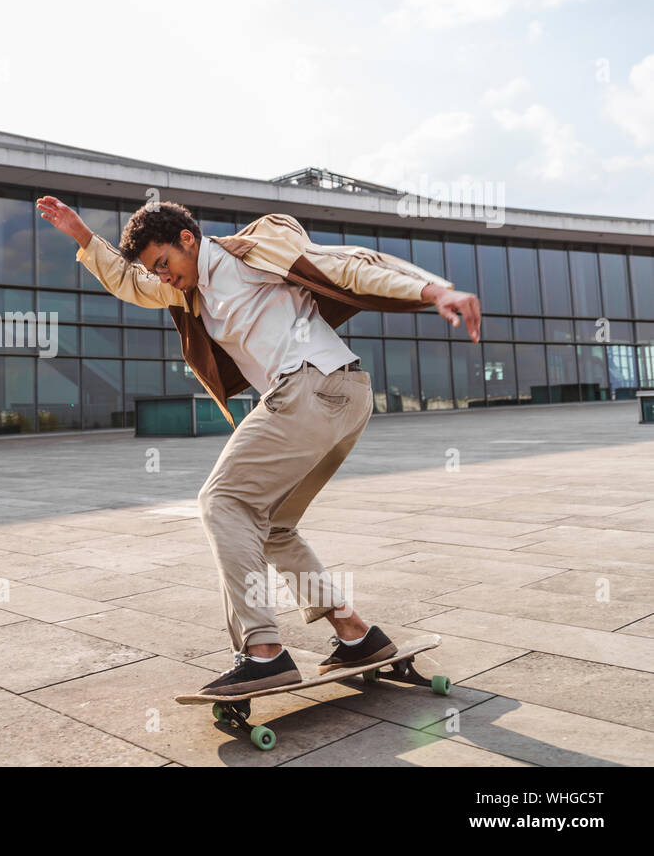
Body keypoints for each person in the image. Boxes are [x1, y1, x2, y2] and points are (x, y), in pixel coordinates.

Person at [36, 196, 481, 697]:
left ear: (189, 239)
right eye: (154, 272)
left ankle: (262, 652)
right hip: (342, 395)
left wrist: (430, 291)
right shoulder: (185, 291)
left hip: (311, 388)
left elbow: (348, 268)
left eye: (164, 264)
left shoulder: (252, 252)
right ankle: (356, 635)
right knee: (272, 526)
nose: (161, 277)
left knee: (221, 501)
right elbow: (129, 283)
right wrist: (81, 236)